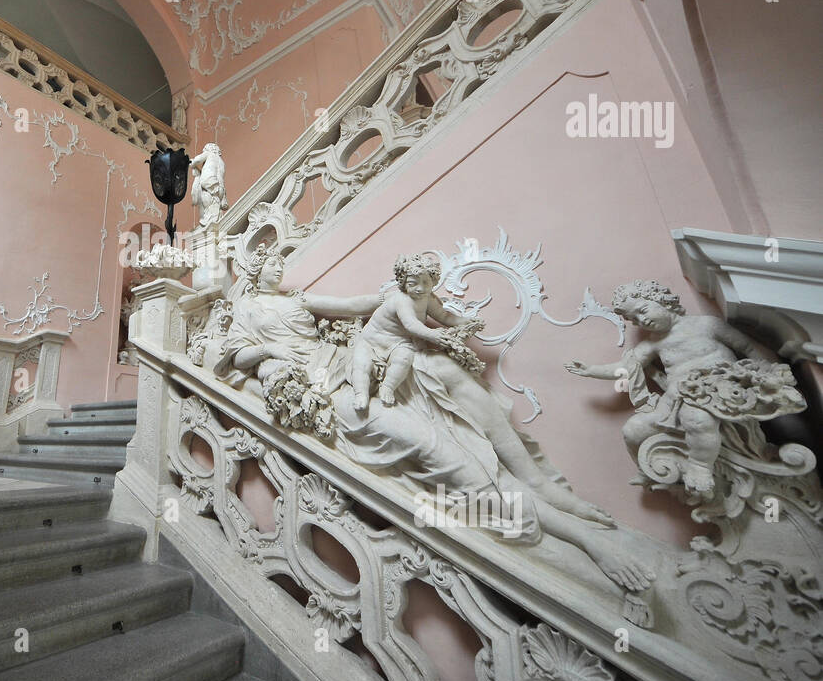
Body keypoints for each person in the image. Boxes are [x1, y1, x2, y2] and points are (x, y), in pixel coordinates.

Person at [215, 244, 656, 602]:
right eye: (272, 261)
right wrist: (271, 353)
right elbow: (236, 357)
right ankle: (579, 540)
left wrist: (396, 299)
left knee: (448, 394)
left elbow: (350, 306)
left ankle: (554, 504)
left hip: (348, 365)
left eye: (281, 260)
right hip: (330, 394)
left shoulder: (297, 300)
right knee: (439, 451)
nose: (280, 266)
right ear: (254, 272)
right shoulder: (245, 313)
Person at [566, 279, 803, 498]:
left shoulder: (706, 324)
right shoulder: (653, 343)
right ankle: (653, 470)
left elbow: (748, 348)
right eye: (635, 319)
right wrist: (590, 370)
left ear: (662, 301)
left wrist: (772, 371)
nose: (642, 320)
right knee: (633, 430)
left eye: (643, 310)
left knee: (697, 418)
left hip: (722, 386)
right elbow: (626, 368)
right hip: (678, 397)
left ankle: (701, 467)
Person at [349, 252, 483, 411]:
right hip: (372, 341)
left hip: (398, 342)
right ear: (403, 283)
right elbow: (410, 324)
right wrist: (433, 334)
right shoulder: (402, 300)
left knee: (404, 359)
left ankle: (388, 387)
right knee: (361, 366)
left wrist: (466, 321)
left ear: (433, 282)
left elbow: (445, 316)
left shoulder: (428, 299)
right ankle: (360, 394)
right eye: (413, 284)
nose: (420, 288)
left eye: (426, 283)